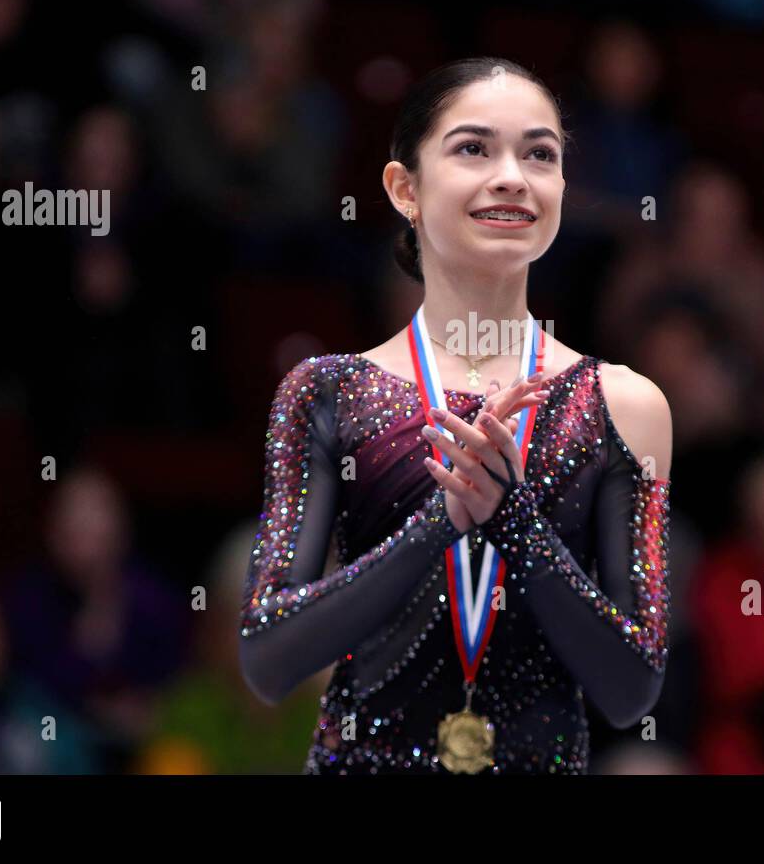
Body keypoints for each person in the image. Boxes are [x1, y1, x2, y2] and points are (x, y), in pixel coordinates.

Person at [237, 57, 674, 774]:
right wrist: (440, 523)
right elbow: (269, 658)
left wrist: (514, 522)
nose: (512, 177)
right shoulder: (327, 393)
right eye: (474, 148)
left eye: (540, 154)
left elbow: (631, 689)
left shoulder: (623, 404)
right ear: (404, 188)